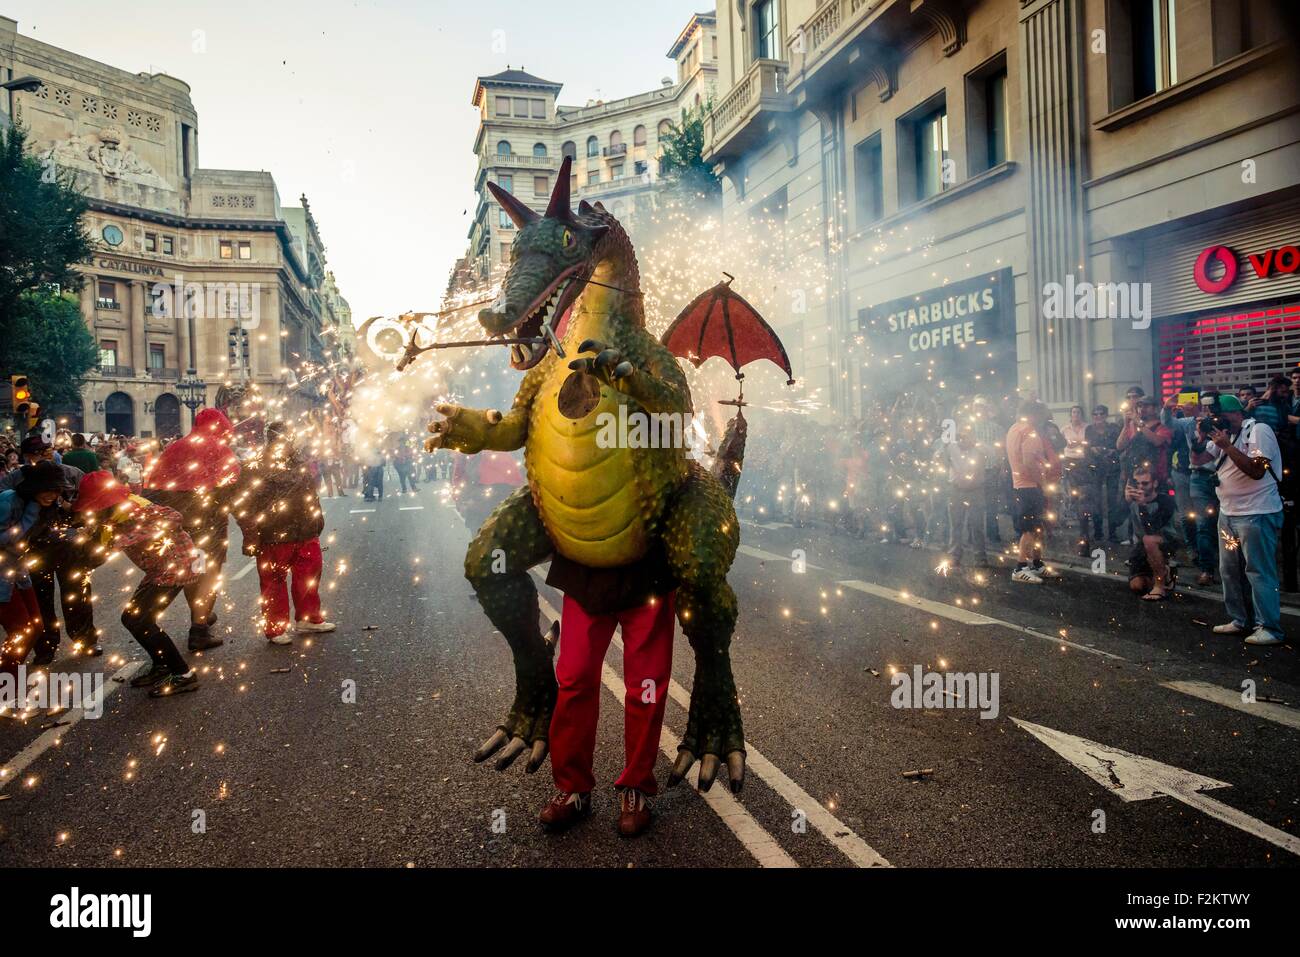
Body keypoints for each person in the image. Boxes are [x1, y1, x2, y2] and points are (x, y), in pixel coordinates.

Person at [76, 471, 202, 696]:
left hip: (176, 566)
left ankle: (183, 675)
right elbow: (100, 553)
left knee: (138, 619)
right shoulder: (110, 519)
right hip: (158, 569)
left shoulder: (135, 508)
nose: (91, 511)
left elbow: (175, 517)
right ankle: (162, 665)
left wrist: (132, 536)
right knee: (133, 618)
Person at [141, 409, 241, 652]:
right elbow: (235, 493)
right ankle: (199, 630)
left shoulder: (174, 447)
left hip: (178, 526)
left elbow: (151, 489)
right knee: (208, 575)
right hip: (209, 523)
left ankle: (201, 616)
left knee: (193, 570)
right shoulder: (220, 449)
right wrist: (250, 531)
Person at [1194, 395, 1285, 646]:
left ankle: (1269, 627)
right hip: (1228, 513)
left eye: (1219, 414)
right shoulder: (1225, 434)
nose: (1216, 419)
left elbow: (1257, 471)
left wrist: (1227, 447)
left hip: (1257, 512)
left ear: (1235, 413)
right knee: (1229, 570)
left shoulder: (1258, 431)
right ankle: (1239, 620)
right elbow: (1198, 461)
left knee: (1257, 571)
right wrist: (1200, 440)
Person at [233, 422, 335, 645]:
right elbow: (241, 504)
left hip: (305, 531)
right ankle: (275, 628)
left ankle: (308, 618)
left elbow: (311, 494)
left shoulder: (299, 463)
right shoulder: (255, 467)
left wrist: (317, 519)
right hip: (273, 534)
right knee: (273, 582)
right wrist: (250, 534)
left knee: (308, 576)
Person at [0, 463, 62, 673]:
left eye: (56, 490)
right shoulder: (8, 500)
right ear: (35, 486)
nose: (52, 495)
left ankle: (7, 677)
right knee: (21, 630)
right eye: (48, 489)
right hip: (2, 573)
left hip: (18, 570)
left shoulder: (45, 507)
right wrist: (27, 520)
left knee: (36, 627)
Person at [1006, 400, 1061, 584]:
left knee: (1036, 526)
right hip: (1030, 486)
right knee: (1029, 528)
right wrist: (1042, 482)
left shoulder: (1014, 429)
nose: (1043, 420)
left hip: (1021, 485)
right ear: (1034, 415)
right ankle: (1020, 567)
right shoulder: (1028, 431)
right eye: (1042, 416)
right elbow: (1029, 461)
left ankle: (1037, 563)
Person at [1124, 465, 1176, 600]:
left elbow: (1153, 529)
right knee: (1138, 587)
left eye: (1145, 483)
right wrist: (1125, 499)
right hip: (1142, 547)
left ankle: (1160, 586)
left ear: (1155, 483)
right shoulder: (1133, 500)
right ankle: (1164, 573)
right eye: (1137, 483)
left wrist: (1142, 506)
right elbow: (1115, 517)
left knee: (1149, 539)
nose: (1140, 487)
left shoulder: (1165, 501)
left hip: (1165, 543)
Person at [945, 426, 989, 567]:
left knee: (976, 525)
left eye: (968, 436)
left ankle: (980, 557)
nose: (964, 440)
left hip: (975, 490)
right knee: (956, 524)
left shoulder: (980, 450)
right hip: (956, 490)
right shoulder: (950, 448)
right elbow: (942, 461)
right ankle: (954, 555)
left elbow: (982, 467)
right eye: (962, 437)